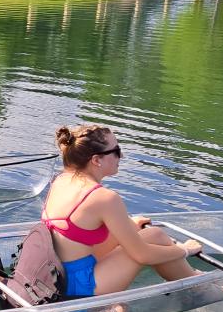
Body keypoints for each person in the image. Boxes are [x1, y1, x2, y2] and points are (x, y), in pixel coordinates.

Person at [44, 124, 202, 297]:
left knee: (156, 235)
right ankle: (199, 288)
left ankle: (191, 279)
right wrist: (186, 250)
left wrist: (130, 225)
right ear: (96, 160)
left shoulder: (61, 180)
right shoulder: (104, 197)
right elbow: (142, 255)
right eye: (116, 150)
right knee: (152, 246)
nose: (122, 155)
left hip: (57, 273)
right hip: (79, 284)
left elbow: (78, 236)